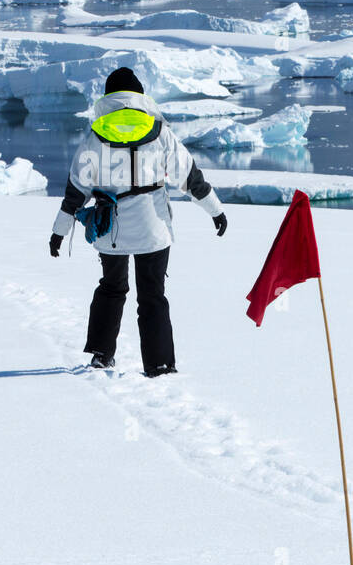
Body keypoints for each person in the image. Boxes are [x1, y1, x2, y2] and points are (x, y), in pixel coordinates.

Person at [49, 67, 227, 376]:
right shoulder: (159, 132)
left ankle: (102, 355)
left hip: (111, 229)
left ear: (108, 96)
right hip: (152, 227)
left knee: (111, 288)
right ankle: (159, 364)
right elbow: (190, 178)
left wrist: (58, 232)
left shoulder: (95, 137)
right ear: (140, 95)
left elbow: (76, 190)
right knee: (152, 294)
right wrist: (216, 211)